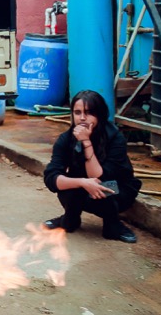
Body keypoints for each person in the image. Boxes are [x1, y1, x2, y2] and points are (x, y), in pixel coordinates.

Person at [42, 89, 140, 243]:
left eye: (88, 113)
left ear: (99, 115)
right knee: (68, 186)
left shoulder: (115, 138)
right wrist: (82, 182)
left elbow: (100, 176)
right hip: (85, 185)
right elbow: (51, 177)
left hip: (117, 188)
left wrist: (86, 142)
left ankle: (113, 225)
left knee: (104, 187)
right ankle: (70, 219)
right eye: (77, 112)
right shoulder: (66, 139)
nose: (82, 118)